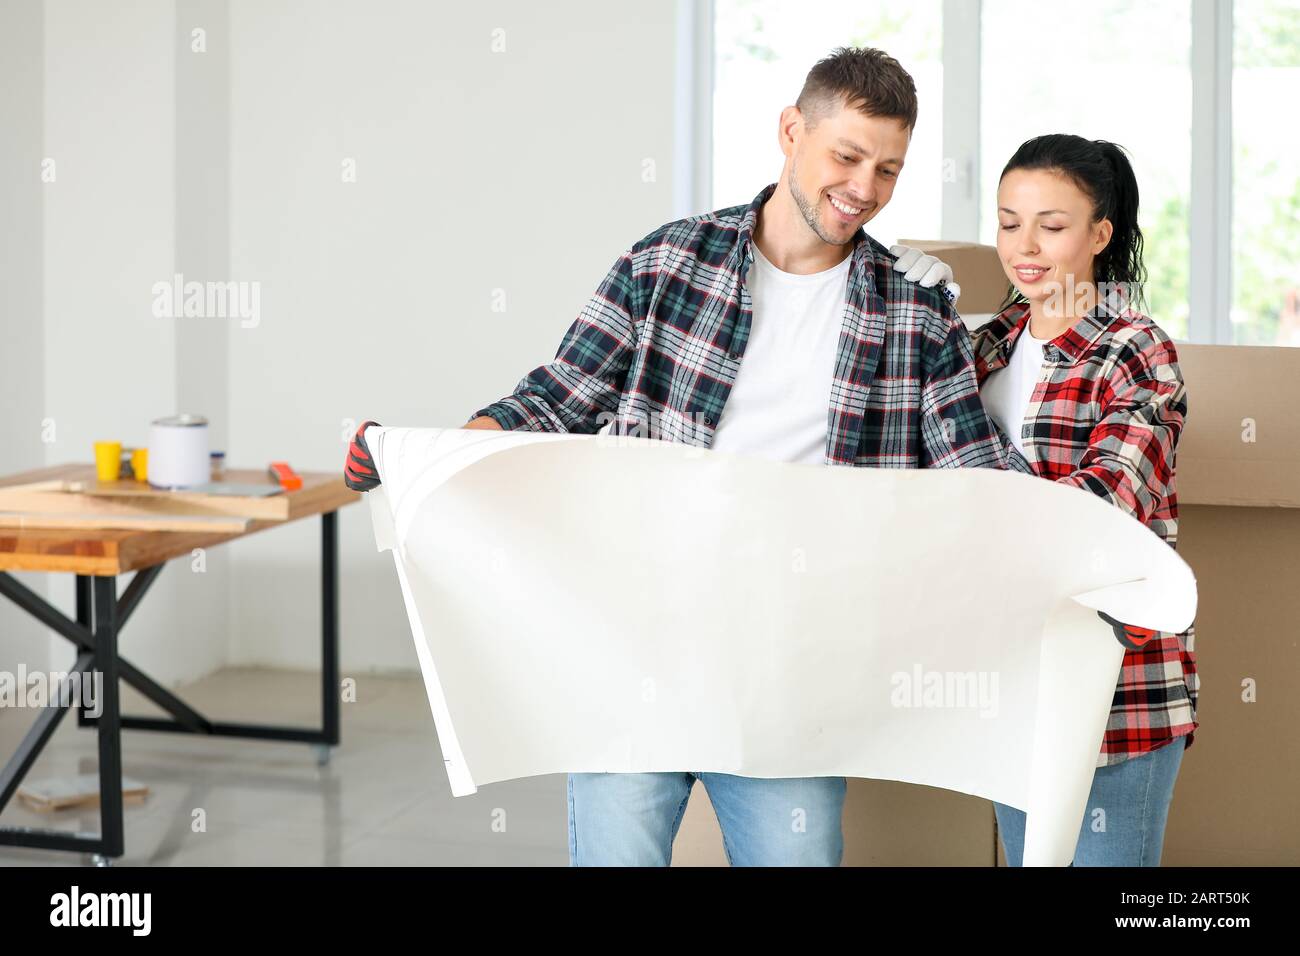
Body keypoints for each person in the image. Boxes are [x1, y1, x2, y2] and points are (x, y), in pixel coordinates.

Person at [345, 46, 1029, 867]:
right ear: (790, 131)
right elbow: (557, 398)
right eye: (846, 156)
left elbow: (977, 475)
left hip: (794, 671)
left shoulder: (913, 309)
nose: (864, 189)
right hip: (640, 644)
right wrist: (415, 457)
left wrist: (1085, 539)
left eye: (888, 170)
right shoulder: (668, 263)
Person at [971, 134, 1197, 866]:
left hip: (1115, 684)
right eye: (1008, 222)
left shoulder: (1135, 349)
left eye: (1051, 224)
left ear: (1101, 233)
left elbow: (1101, 506)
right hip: (1013, 675)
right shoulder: (988, 346)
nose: (1024, 245)